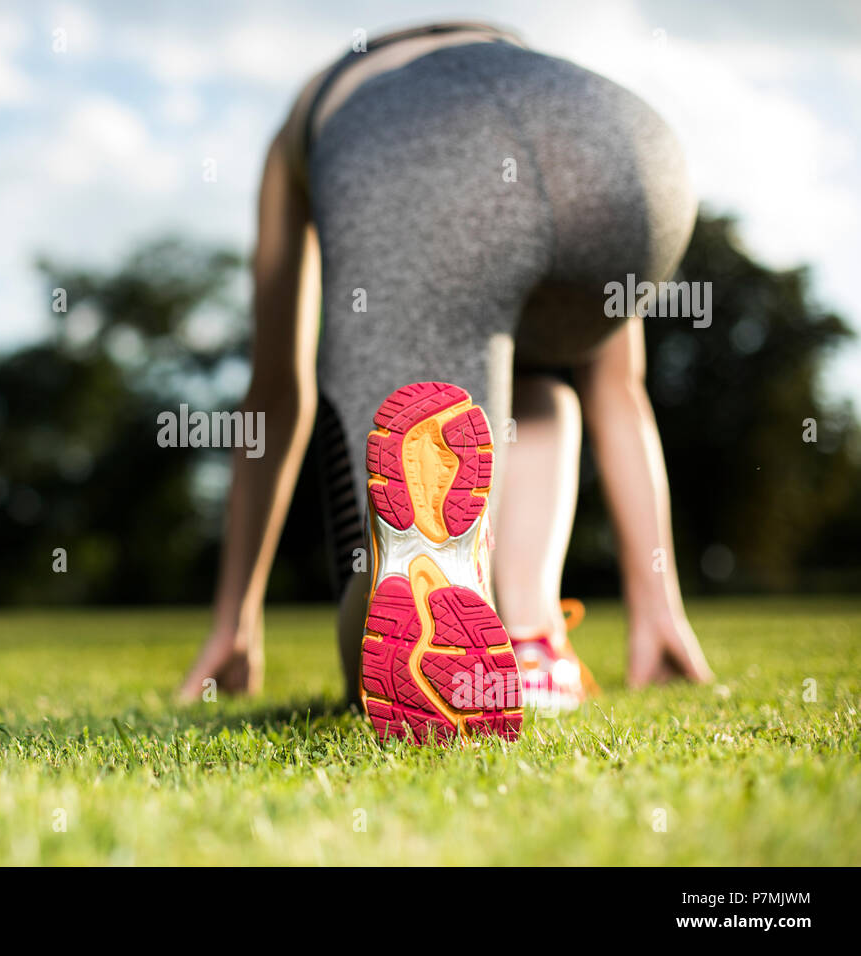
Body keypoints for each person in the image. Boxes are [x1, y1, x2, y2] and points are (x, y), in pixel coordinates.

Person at [178, 22, 713, 742]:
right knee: (545, 393)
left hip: (415, 155)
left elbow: (277, 392)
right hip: (622, 145)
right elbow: (619, 389)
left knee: (422, 449)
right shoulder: (519, 52)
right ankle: (529, 635)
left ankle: (419, 569)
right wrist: (658, 605)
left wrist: (234, 619)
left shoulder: (312, 109)